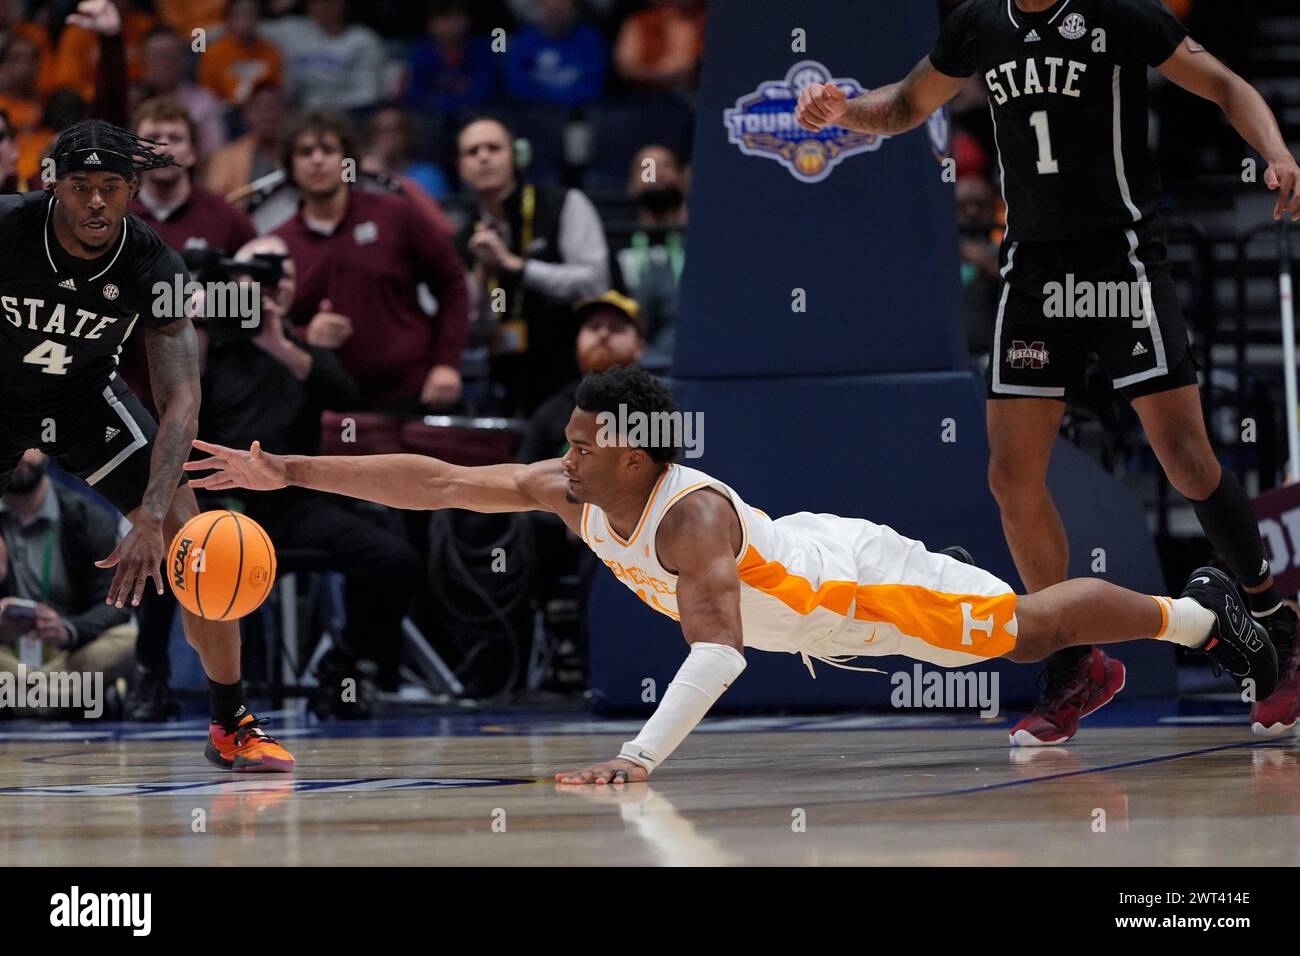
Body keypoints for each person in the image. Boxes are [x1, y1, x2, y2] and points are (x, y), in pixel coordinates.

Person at [185, 365, 1279, 783]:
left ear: (635, 449)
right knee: (1031, 636)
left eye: (579, 439)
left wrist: (636, 755)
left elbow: (716, 647)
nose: (559, 452)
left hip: (849, 590)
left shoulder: (688, 518)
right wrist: (288, 468)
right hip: (805, 565)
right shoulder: (575, 490)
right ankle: (1127, 657)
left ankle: (1206, 617)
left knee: (1028, 627)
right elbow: (436, 480)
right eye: (565, 436)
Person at [794, 0, 1300, 744]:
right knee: (1012, 477)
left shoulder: (1119, 15)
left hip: (1120, 262)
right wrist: (843, 111)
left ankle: (1272, 619)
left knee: (1189, 462)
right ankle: (1075, 659)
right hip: (1034, 272)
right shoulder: (978, 25)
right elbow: (905, 106)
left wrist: (1278, 152)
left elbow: (1227, 85)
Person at [0, 119, 293, 770]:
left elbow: (181, 397)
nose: (96, 202)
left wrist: (155, 516)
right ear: (52, 186)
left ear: (133, 189)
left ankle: (230, 722)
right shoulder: (8, 227)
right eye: (80, 187)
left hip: (84, 405)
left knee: (202, 544)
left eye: (111, 186)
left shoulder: (153, 262)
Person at [199, 235, 420, 713]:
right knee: (169, 547)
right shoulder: (207, 345)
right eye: (257, 272)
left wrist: (278, 343)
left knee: (394, 560)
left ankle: (341, 664)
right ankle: (157, 677)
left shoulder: (303, 350)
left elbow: (343, 396)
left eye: (281, 274)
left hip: (292, 504)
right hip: (221, 504)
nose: (269, 283)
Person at [275, 111, 469, 413]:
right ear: (290, 165)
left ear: (348, 160)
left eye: (328, 150)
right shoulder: (279, 243)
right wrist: (305, 335)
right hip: (321, 406)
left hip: (410, 397)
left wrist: (447, 363)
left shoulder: (394, 213)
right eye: (305, 152)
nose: (317, 160)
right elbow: (265, 325)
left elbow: (453, 283)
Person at [455, 115, 609, 415]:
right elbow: (471, 332)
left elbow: (595, 281)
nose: (483, 156)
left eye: (493, 148)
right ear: (461, 168)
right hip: (505, 386)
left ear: (516, 156)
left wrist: (517, 268)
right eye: (472, 151)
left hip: (575, 379)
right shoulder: (463, 238)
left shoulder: (562, 203)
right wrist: (483, 277)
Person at [0, 449, 136, 715]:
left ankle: (17, 700)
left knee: (129, 641)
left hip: (66, 655)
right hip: (7, 653)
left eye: (29, 445)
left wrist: (68, 629)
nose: (19, 455)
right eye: (12, 441)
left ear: (47, 450)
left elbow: (116, 604)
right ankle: (68, 699)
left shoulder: (86, 516)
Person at [619, 144, 687, 367]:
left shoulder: (698, 244)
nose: (656, 174)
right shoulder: (616, 244)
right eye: (647, 168)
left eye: (666, 166)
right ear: (631, 185)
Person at [261, 0, 386, 111]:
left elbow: (367, 95)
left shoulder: (363, 40)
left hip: (346, 115)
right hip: (296, 114)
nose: (325, 5)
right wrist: (274, 10)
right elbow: (248, 27)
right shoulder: (291, 30)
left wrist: (324, 110)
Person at [505, 0, 606, 109]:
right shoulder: (524, 40)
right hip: (533, 112)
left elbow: (595, 84)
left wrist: (565, 102)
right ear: (539, 7)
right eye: (551, 9)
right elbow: (516, 85)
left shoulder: (589, 39)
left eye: (561, 8)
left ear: (573, 7)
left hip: (581, 112)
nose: (556, 14)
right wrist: (546, 101)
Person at [202, 81, 284, 201]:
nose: (267, 115)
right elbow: (214, 204)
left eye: (273, 107)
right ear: (247, 114)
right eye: (261, 108)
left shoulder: (299, 154)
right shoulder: (225, 157)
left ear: (285, 112)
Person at [197, 0, 284, 107]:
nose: (245, 21)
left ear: (259, 19)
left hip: (261, 111)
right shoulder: (213, 53)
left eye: (250, 14)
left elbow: (275, 90)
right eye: (239, 15)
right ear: (228, 20)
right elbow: (208, 95)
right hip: (226, 111)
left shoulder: (272, 52)